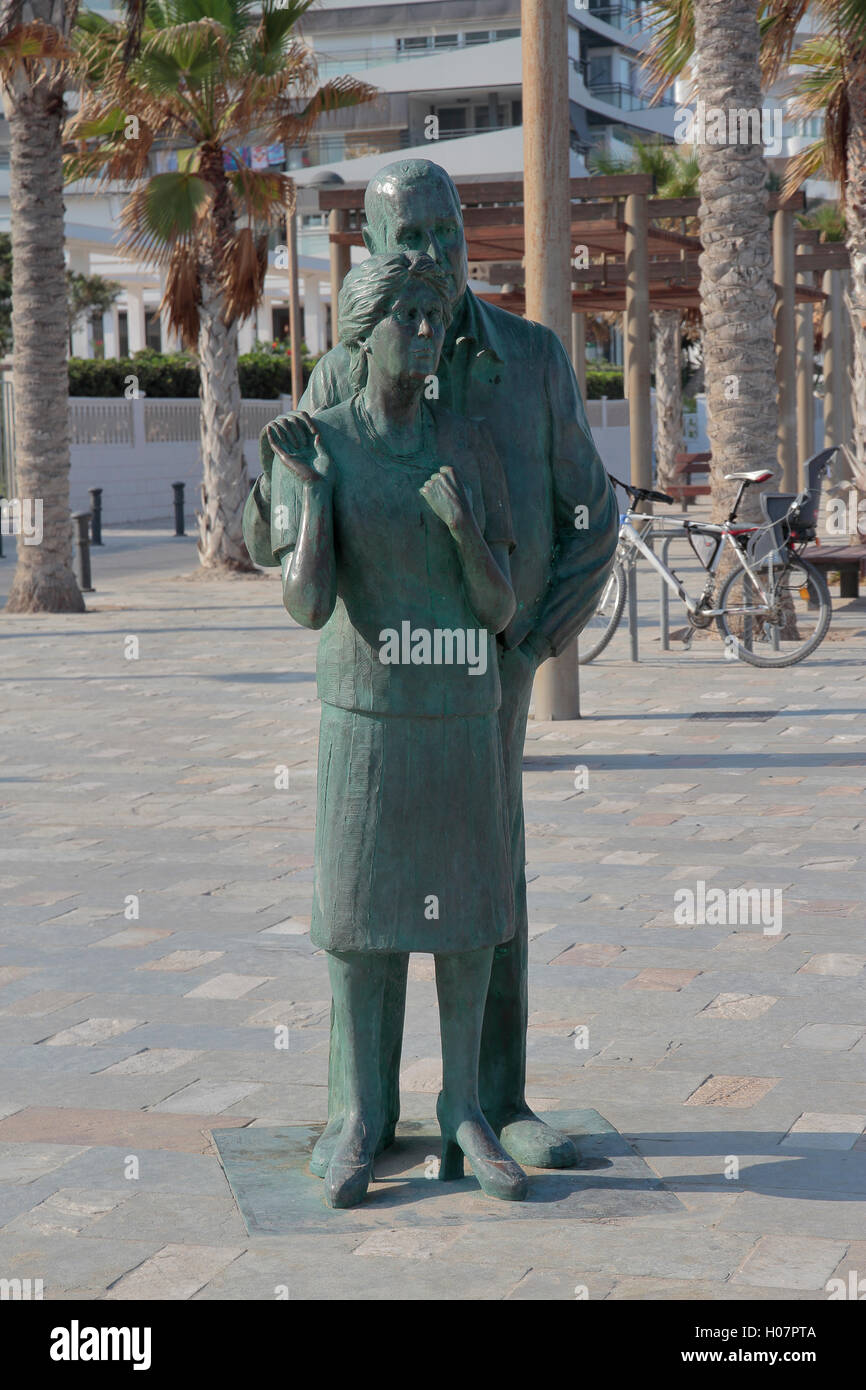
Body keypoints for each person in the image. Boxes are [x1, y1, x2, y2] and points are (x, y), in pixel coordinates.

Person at [245, 159, 619, 1175]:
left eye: (444, 233)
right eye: (406, 240)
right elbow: (277, 542)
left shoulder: (532, 363)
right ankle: (354, 1108)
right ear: (369, 252)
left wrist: (534, 643)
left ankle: (491, 1098)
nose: (432, 259)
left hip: (489, 673)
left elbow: (592, 515)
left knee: (487, 881)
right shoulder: (335, 375)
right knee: (366, 888)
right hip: (374, 688)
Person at [264, 250, 527, 1208]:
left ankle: (466, 1108)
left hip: (457, 715)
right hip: (367, 721)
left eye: (436, 318)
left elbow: (500, 610)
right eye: (410, 317)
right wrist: (316, 499)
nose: (428, 334)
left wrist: (462, 532)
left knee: (464, 926)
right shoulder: (318, 441)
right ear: (364, 327)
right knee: (361, 929)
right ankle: (360, 1115)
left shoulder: (471, 446)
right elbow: (304, 602)